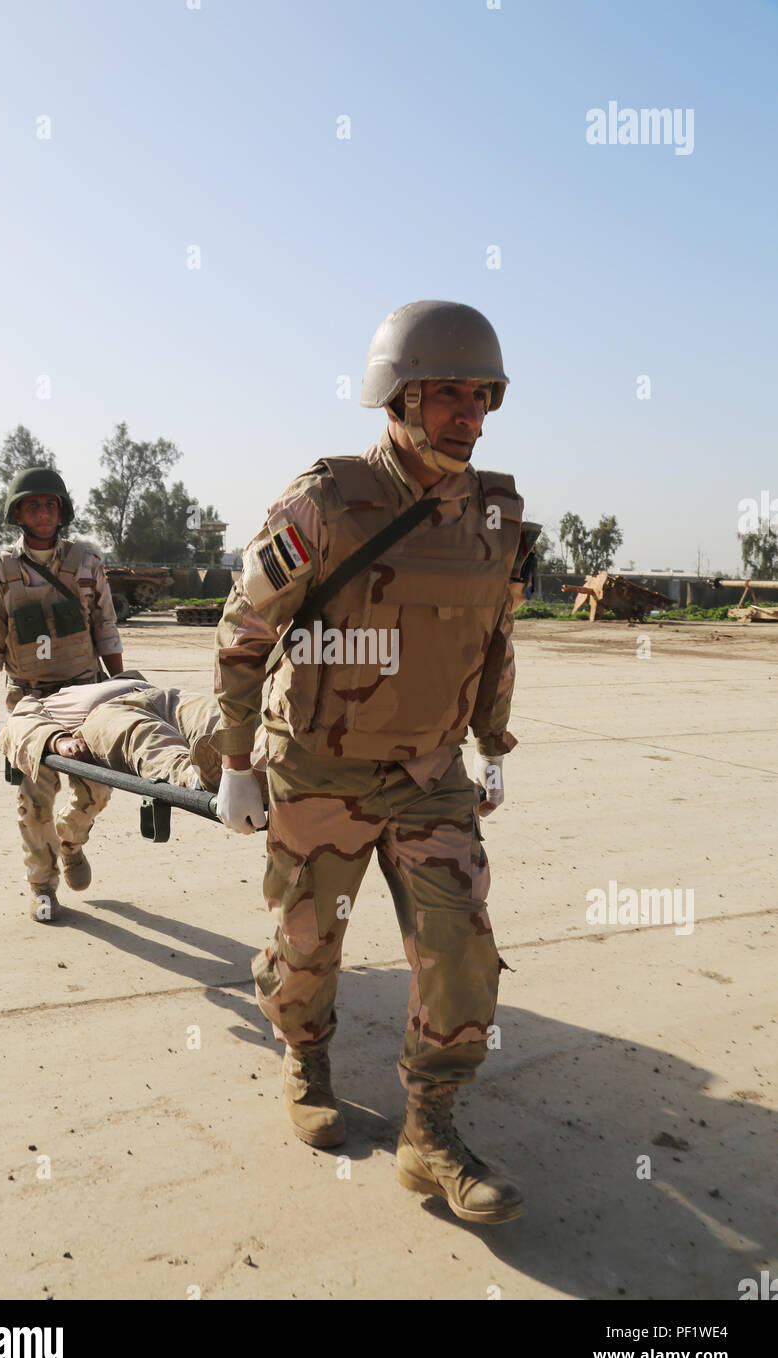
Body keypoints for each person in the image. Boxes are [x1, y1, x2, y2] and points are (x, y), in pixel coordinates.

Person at [211, 300, 539, 1225]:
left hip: (430, 774)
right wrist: (239, 761)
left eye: (481, 396)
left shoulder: (496, 514)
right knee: (309, 947)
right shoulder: (327, 501)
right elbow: (244, 631)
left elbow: (495, 638)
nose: (467, 415)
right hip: (319, 766)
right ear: (397, 397)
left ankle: (429, 1132)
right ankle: (305, 1052)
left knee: (463, 951)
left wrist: (490, 742)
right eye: (446, 395)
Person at [0, 468, 125, 922]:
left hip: (85, 692)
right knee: (35, 796)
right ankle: (43, 885)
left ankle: (71, 840)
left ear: (62, 511)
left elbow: (107, 632)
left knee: (98, 787)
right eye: (33, 504)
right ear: (17, 512)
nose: (43, 512)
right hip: (29, 698)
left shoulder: (87, 564)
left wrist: (121, 690)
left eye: (51, 504)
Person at [0, 673, 267, 798]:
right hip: (101, 716)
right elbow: (19, 726)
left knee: (216, 715)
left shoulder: (109, 678)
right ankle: (195, 776)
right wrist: (60, 741)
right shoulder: (39, 701)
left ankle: (273, 755)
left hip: (159, 696)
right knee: (143, 735)